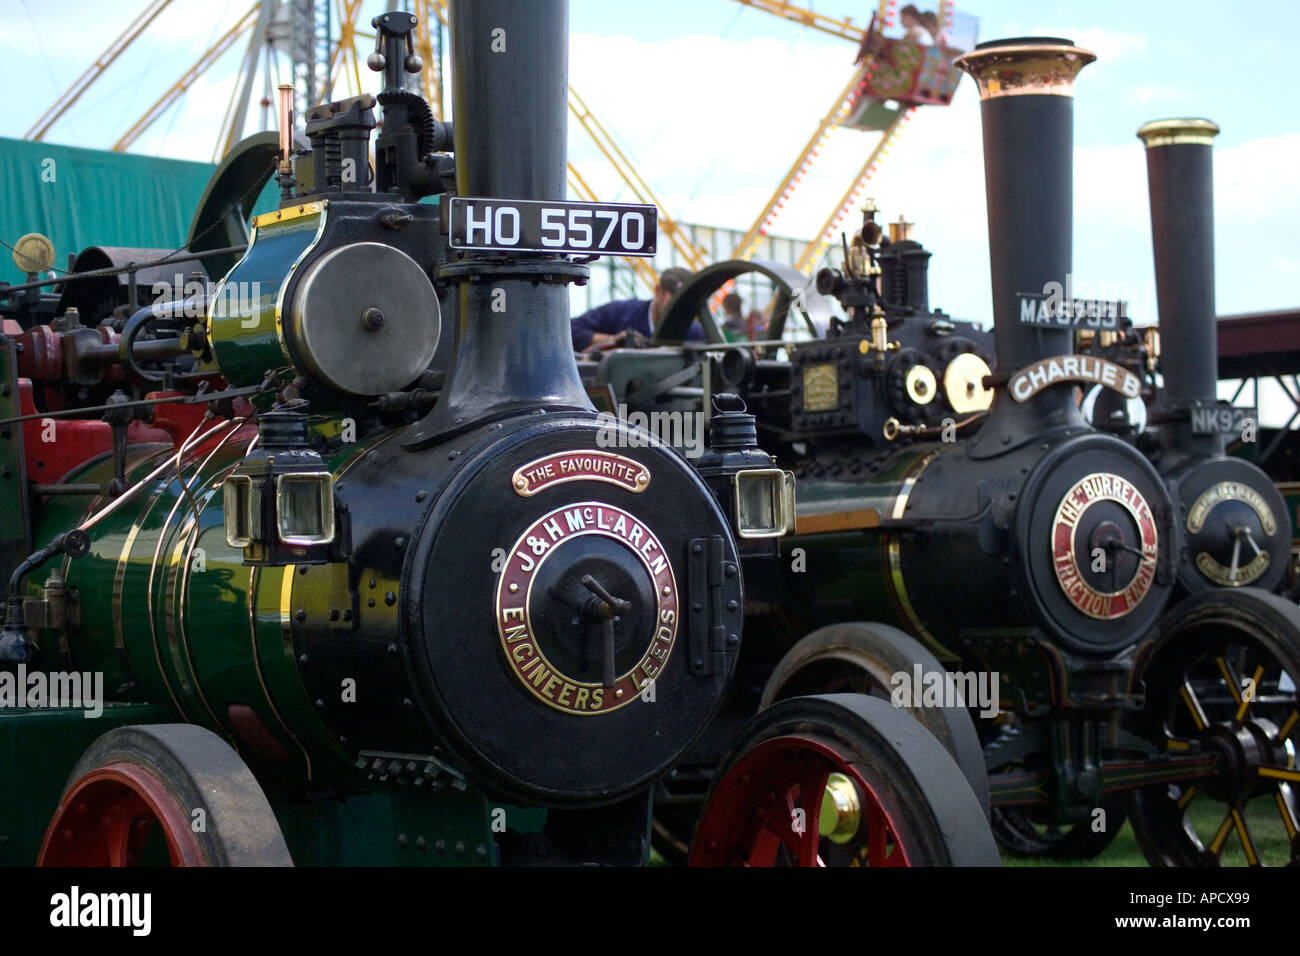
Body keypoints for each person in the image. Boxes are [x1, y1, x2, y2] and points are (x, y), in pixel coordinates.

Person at [570, 267, 703, 351]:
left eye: (685, 301)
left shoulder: (696, 334)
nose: (679, 306)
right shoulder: (621, 312)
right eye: (675, 298)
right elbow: (570, 329)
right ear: (658, 291)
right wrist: (613, 340)